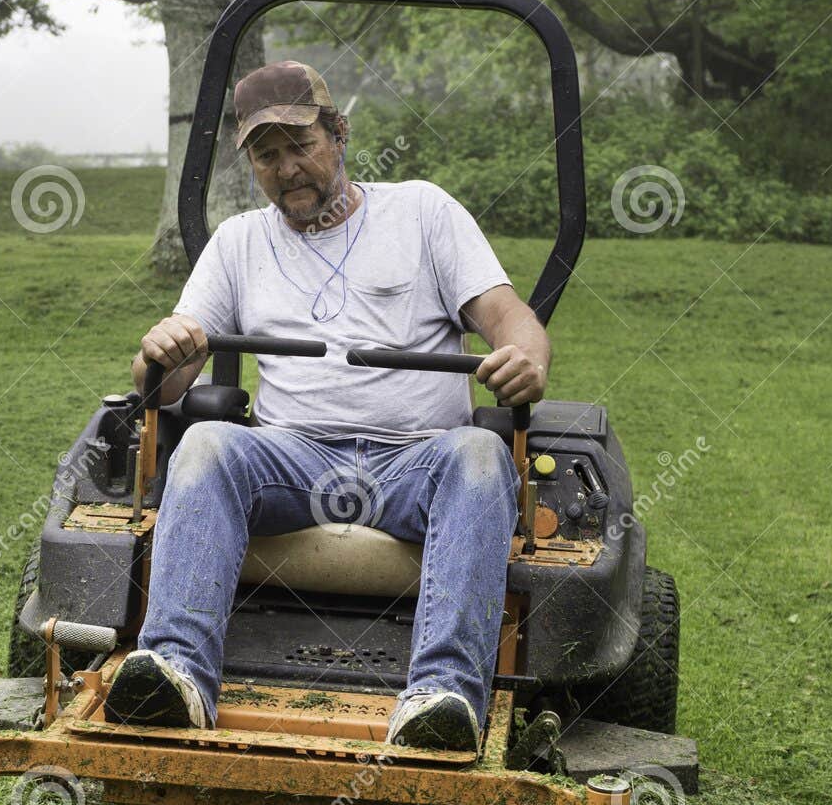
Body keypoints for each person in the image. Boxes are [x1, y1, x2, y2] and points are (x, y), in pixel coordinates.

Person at [104, 60, 550, 753]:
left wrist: (525, 357)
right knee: (207, 442)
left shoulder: (423, 213)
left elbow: (510, 318)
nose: (287, 168)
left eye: (301, 145)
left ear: (339, 134)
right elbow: (160, 387)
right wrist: (158, 354)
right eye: (267, 155)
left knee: (480, 454)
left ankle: (442, 696)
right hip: (293, 460)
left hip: (417, 462)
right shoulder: (239, 242)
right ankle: (175, 673)